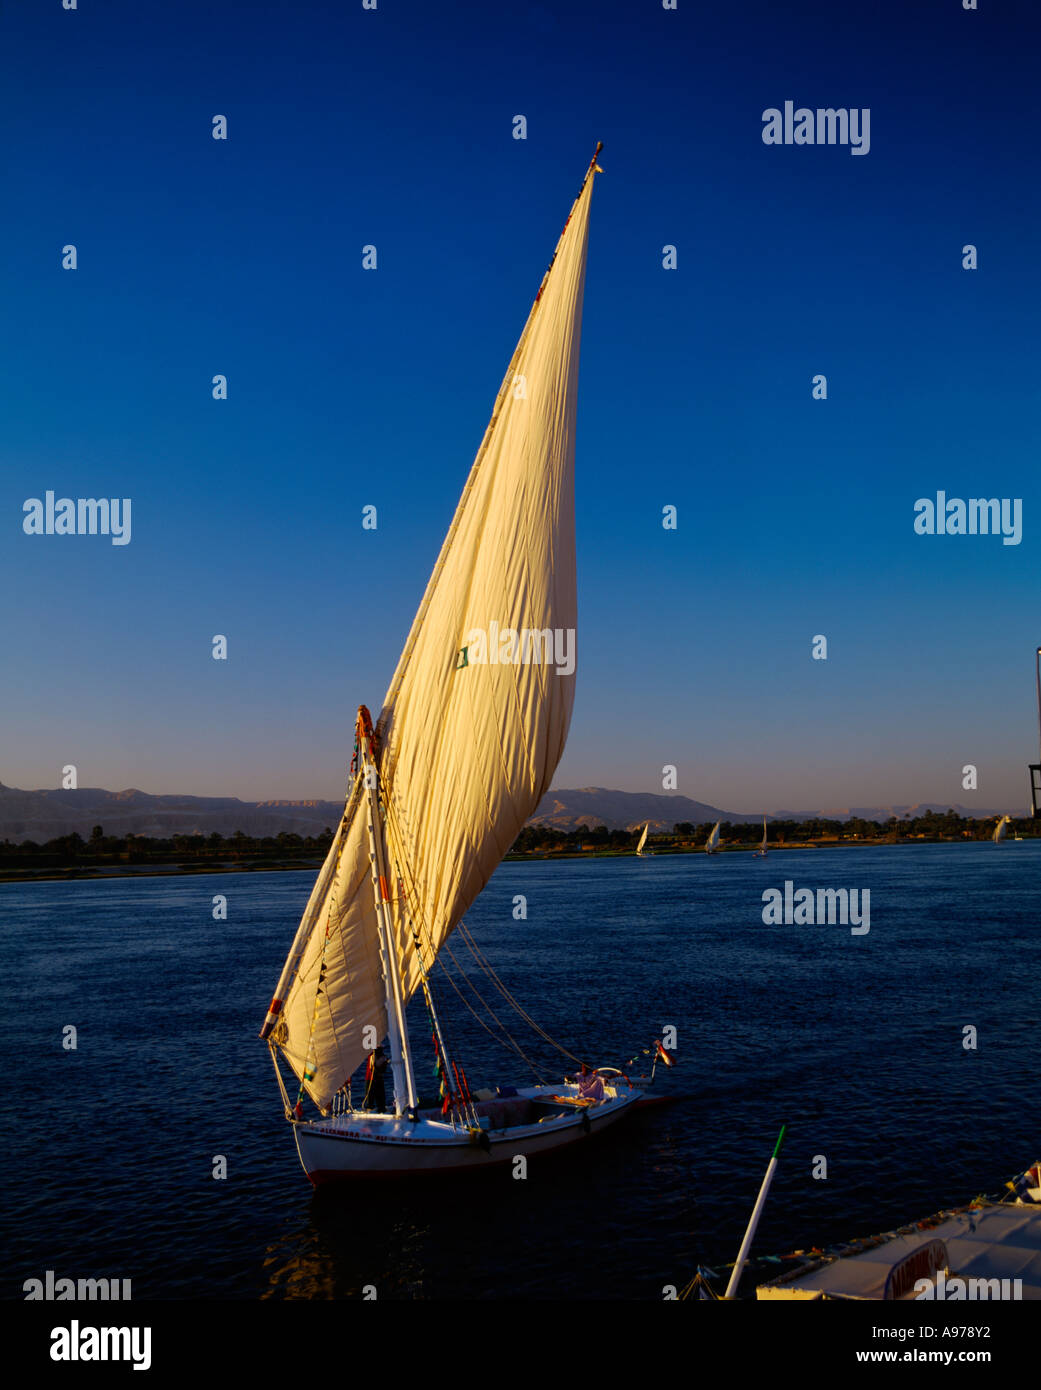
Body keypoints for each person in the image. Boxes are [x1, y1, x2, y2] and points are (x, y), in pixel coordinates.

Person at [363, 1046, 388, 1112]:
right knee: (371, 1098)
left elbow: (382, 1068)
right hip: (371, 1078)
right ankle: (374, 1108)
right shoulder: (373, 1054)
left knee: (379, 1098)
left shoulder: (380, 1056)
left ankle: (379, 1108)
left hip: (376, 1078)